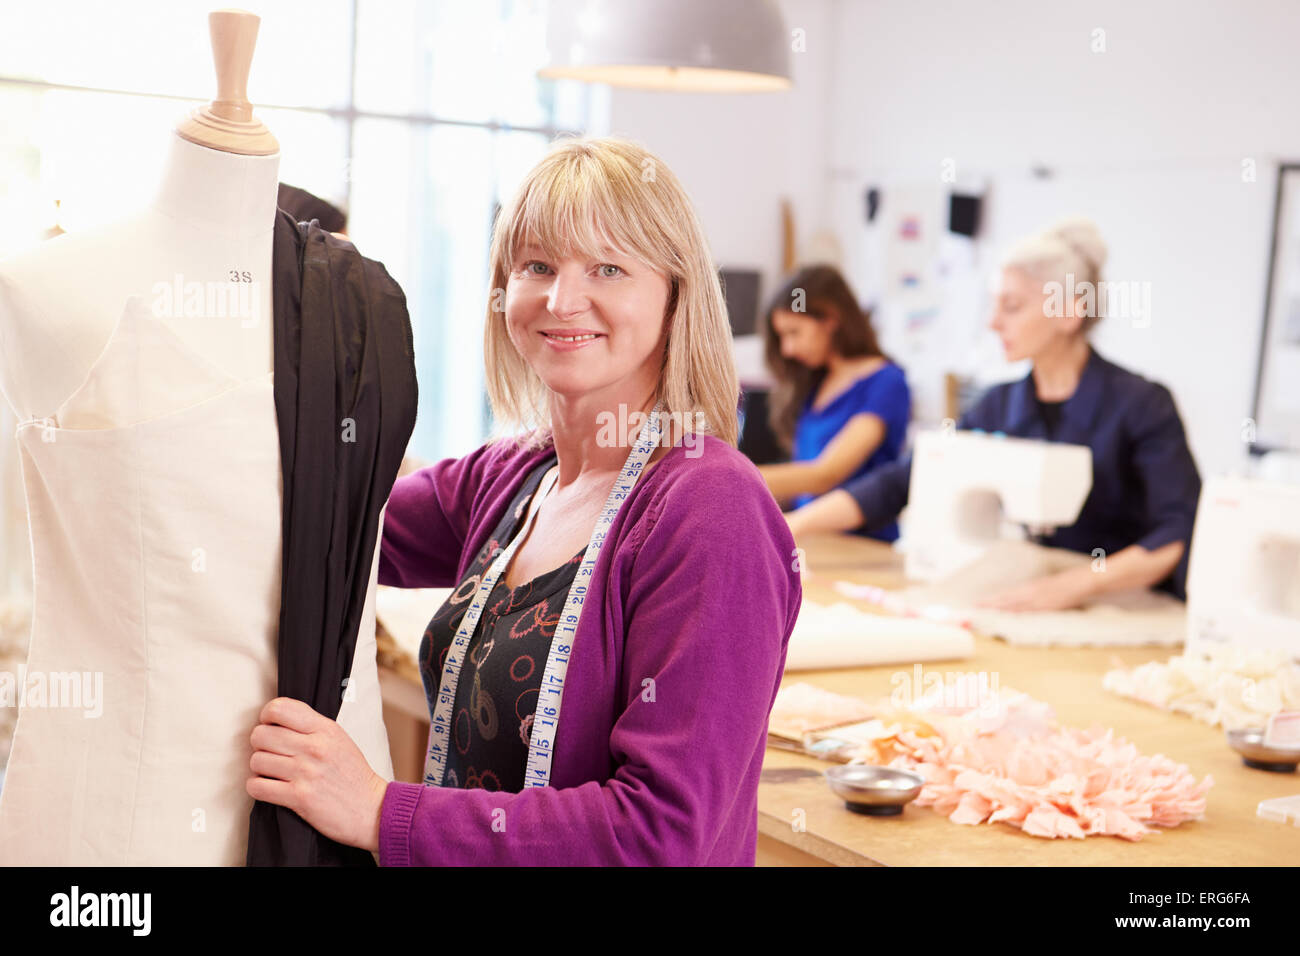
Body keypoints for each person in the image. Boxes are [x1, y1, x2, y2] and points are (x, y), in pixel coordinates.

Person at [245, 136, 802, 865]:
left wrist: (382, 810)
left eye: (608, 267)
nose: (561, 299)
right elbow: (323, 519)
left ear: (676, 292)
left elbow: (661, 835)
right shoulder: (515, 476)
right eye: (537, 266)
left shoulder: (709, 506)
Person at [786, 218, 1201, 610]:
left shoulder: (1142, 405)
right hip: (1033, 597)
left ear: (1069, 313)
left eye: (1012, 307)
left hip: (1123, 604)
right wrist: (794, 526)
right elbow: (904, 480)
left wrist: (1076, 585)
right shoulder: (998, 405)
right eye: (993, 305)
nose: (993, 322)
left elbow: (1177, 530)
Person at [756, 265, 911, 541]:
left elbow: (825, 474)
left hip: (861, 546)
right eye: (781, 337)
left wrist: (731, 476)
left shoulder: (887, 382)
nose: (786, 349)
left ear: (830, 319)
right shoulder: (815, 383)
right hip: (808, 538)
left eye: (794, 332)